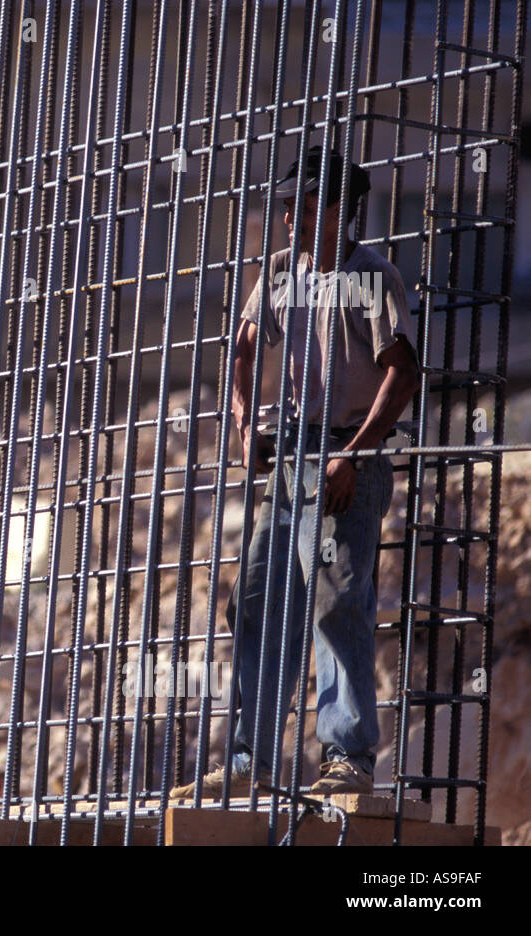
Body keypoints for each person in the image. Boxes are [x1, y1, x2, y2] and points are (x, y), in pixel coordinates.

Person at [171, 147, 421, 800]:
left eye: (306, 208)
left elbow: (403, 374)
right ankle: (250, 760)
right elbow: (245, 352)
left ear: (344, 213)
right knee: (254, 601)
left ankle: (348, 758)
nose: (291, 219)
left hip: (346, 461)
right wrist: (245, 427)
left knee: (337, 604)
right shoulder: (284, 272)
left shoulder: (372, 276)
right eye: (287, 207)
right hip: (292, 462)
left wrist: (355, 454)